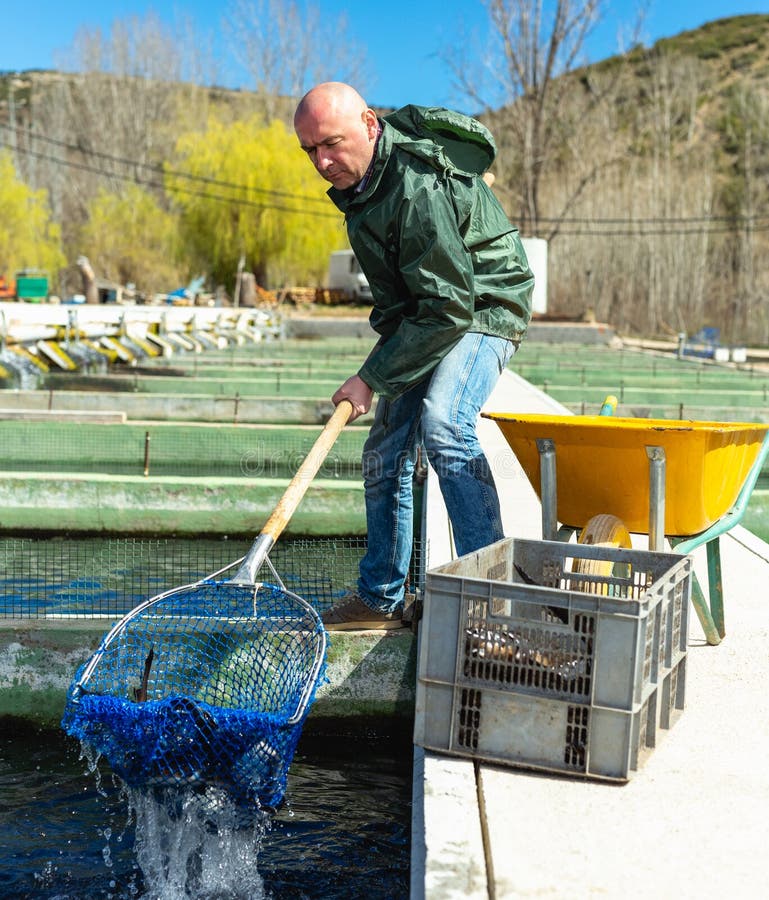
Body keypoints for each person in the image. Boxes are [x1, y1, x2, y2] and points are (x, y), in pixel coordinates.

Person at [293, 82, 534, 630]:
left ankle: (495, 602)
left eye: (332, 143)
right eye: (310, 150)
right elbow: (407, 303)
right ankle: (379, 598)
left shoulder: (415, 187)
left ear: (370, 124)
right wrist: (379, 370)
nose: (323, 162)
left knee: (445, 422)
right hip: (435, 309)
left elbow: (449, 308)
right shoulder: (361, 192)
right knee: (384, 449)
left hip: (485, 302)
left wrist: (371, 376)